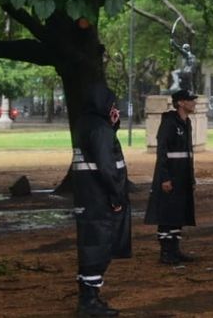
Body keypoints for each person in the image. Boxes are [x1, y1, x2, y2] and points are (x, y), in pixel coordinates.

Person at [71, 82, 130, 317]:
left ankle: (88, 296)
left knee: (89, 246)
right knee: (100, 246)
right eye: (111, 103)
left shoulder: (84, 124)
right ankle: (89, 302)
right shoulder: (100, 129)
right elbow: (106, 165)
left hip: (87, 195)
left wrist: (112, 126)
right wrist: (116, 195)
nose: (114, 108)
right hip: (100, 198)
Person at [144, 89, 198, 266]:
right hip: (171, 175)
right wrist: (165, 177)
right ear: (180, 103)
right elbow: (162, 152)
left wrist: (191, 177)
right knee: (167, 213)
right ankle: (166, 251)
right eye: (190, 100)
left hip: (183, 175)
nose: (193, 103)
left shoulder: (186, 122)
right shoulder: (169, 123)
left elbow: (188, 153)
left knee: (178, 212)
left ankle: (175, 249)